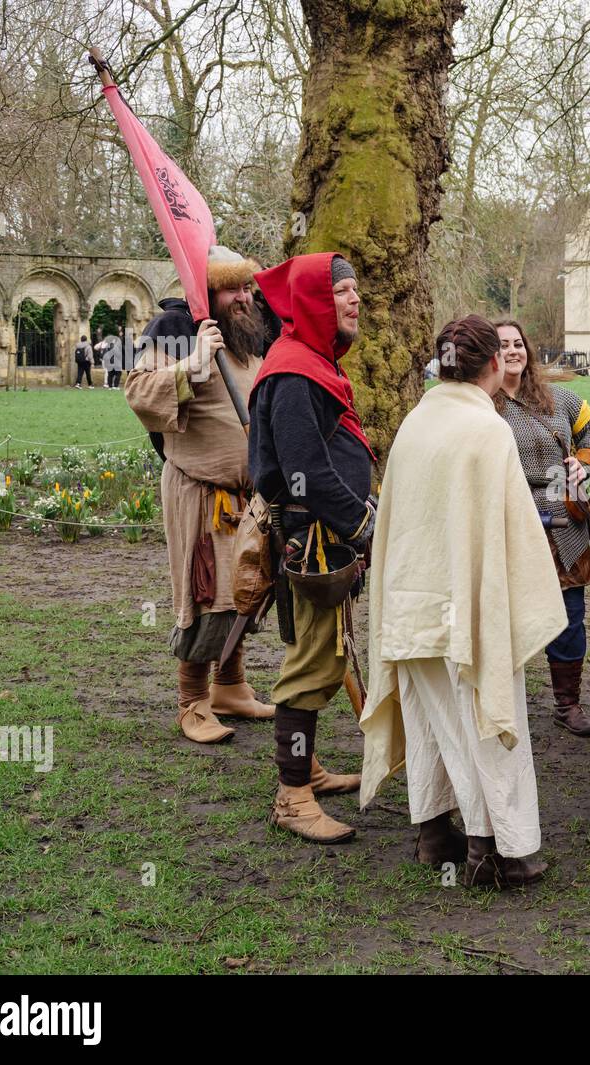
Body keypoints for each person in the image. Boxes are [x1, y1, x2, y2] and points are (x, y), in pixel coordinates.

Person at [359, 314, 565, 888]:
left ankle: (433, 833)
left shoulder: (414, 422)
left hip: (409, 602)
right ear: (494, 365)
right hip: (466, 604)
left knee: (431, 719)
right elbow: (514, 530)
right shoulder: (487, 430)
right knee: (485, 717)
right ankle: (499, 848)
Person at [125, 245, 278, 746]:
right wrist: (192, 363)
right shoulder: (172, 329)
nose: (245, 296)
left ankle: (230, 685)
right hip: (199, 494)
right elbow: (139, 393)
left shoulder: (249, 332)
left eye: (247, 286)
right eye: (233, 288)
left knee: (246, 590)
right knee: (207, 594)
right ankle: (192, 700)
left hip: (245, 497)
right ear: (206, 291)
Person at [247, 252, 376, 844]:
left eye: (356, 291)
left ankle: (309, 768)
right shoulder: (295, 372)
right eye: (342, 291)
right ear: (312, 303)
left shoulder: (307, 365)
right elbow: (304, 471)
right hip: (314, 538)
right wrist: (362, 523)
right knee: (310, 667)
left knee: (326, 657)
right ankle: (293, 796)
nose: (355, 300)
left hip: (323, 535)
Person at [494, 319, 590, 737]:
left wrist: (586, 460)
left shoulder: (556, 398)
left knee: (569, 614)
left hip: (564, 518)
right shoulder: (481, 404)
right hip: (509, 517)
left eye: (518, 344)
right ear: (491, 354)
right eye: (503, 345)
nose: (513, 351)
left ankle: (568, 704)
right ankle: (500, 701)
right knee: (504, 613)